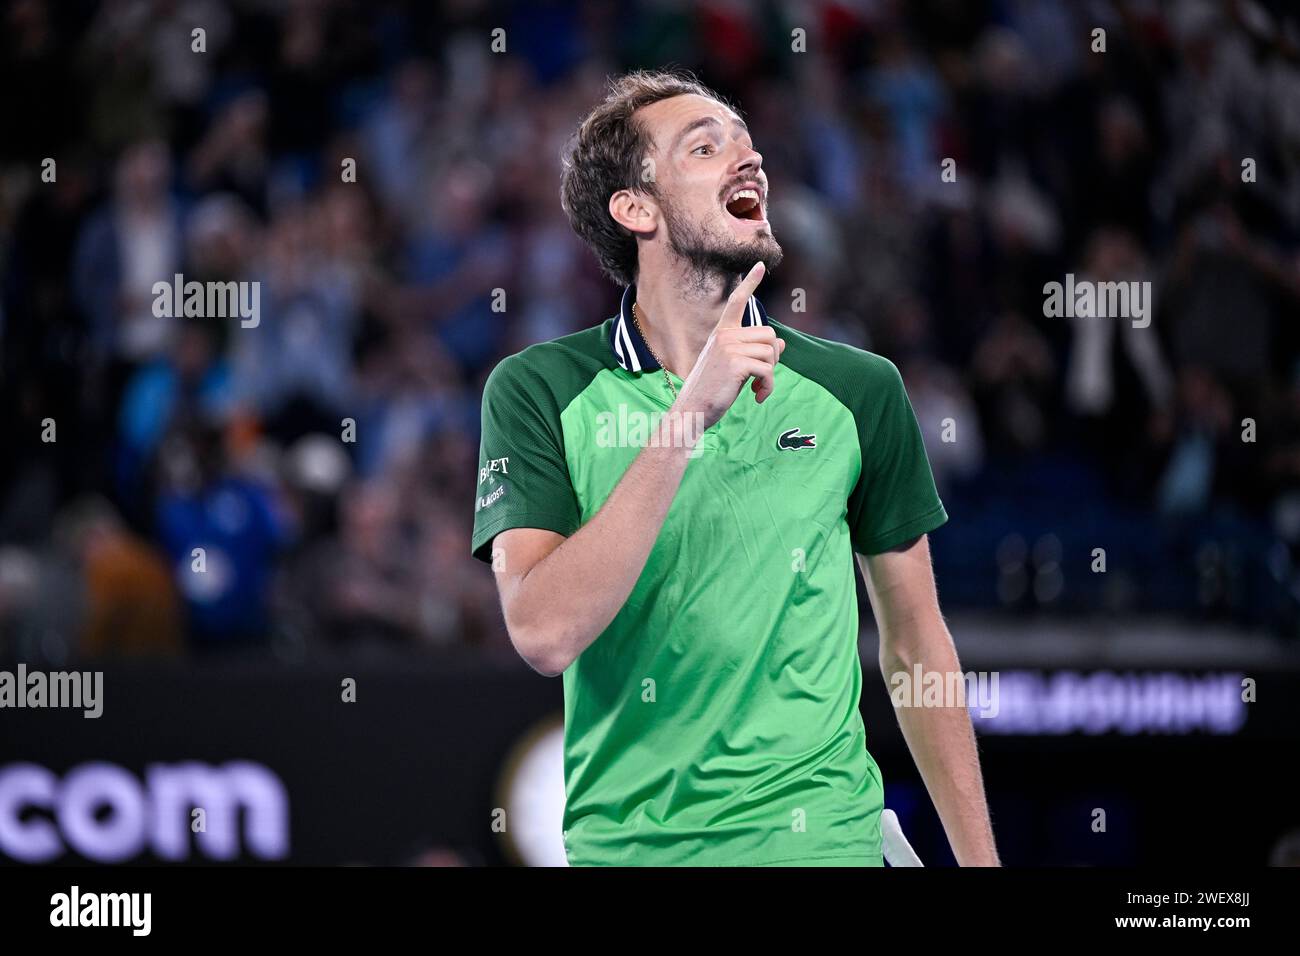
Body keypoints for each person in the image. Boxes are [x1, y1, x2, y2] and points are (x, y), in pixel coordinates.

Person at [470, 70, 999, 867]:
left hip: (826, 845)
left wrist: (981, 864)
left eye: (747, 145)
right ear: (635, 208)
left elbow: (917, 641)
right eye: (706, 147)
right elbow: (544, 633)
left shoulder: (859, 389)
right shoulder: (539, 388)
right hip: (632, 852)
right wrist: (690, 414)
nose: (748, 161)